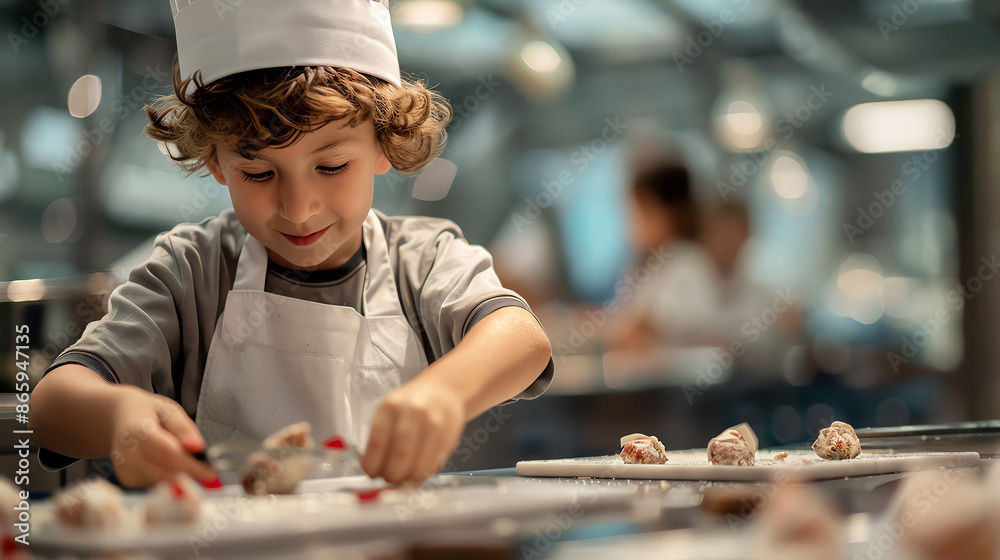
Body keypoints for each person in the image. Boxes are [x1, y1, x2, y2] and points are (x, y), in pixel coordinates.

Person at [29, 0, 553, 487]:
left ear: (383, 142)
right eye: (258, 173)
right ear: (216, 161)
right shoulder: (191, 274)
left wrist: (446, 392)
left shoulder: (423, 261)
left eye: (332, 166)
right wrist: (119, 417)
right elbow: (49, 408)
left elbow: (523, 340)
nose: (298, 209)